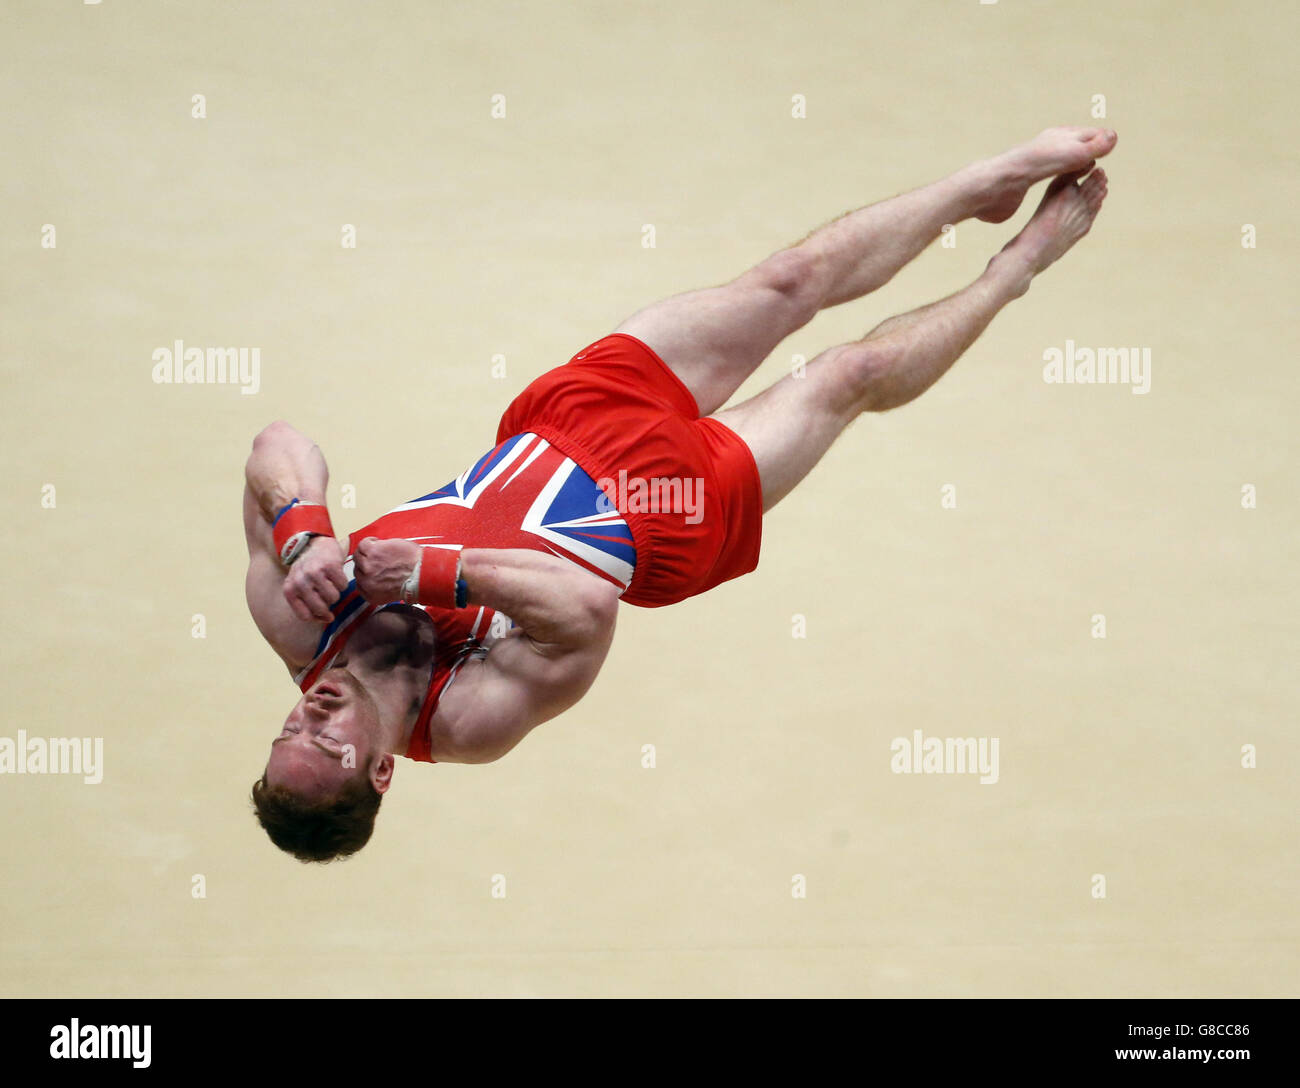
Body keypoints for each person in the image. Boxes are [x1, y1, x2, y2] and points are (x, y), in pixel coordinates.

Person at [243, 126, 1115, 862]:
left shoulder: (303, 621)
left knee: (786, 281)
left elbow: (277, 446)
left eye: (288, 733)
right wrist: (434, 569)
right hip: (664, 516)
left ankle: (979, 186)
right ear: (382, 770)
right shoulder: (469, 722)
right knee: (850, 375)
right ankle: (1014, 270)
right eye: (327, 746)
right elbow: (584, 610)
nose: (309, 716)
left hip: (564, 422)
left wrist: (302, 533)